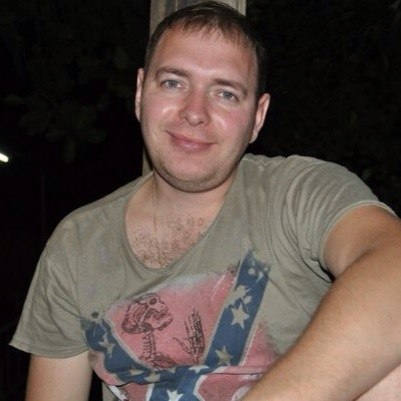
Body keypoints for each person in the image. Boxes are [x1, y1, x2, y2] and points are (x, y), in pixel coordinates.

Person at [10, 1, 401, 400]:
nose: (195, 112)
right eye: (173, 83)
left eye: (226, 93)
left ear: (258, 116)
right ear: (141, 92)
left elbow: (394, 263)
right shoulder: (77, 245)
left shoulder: (298, 194)